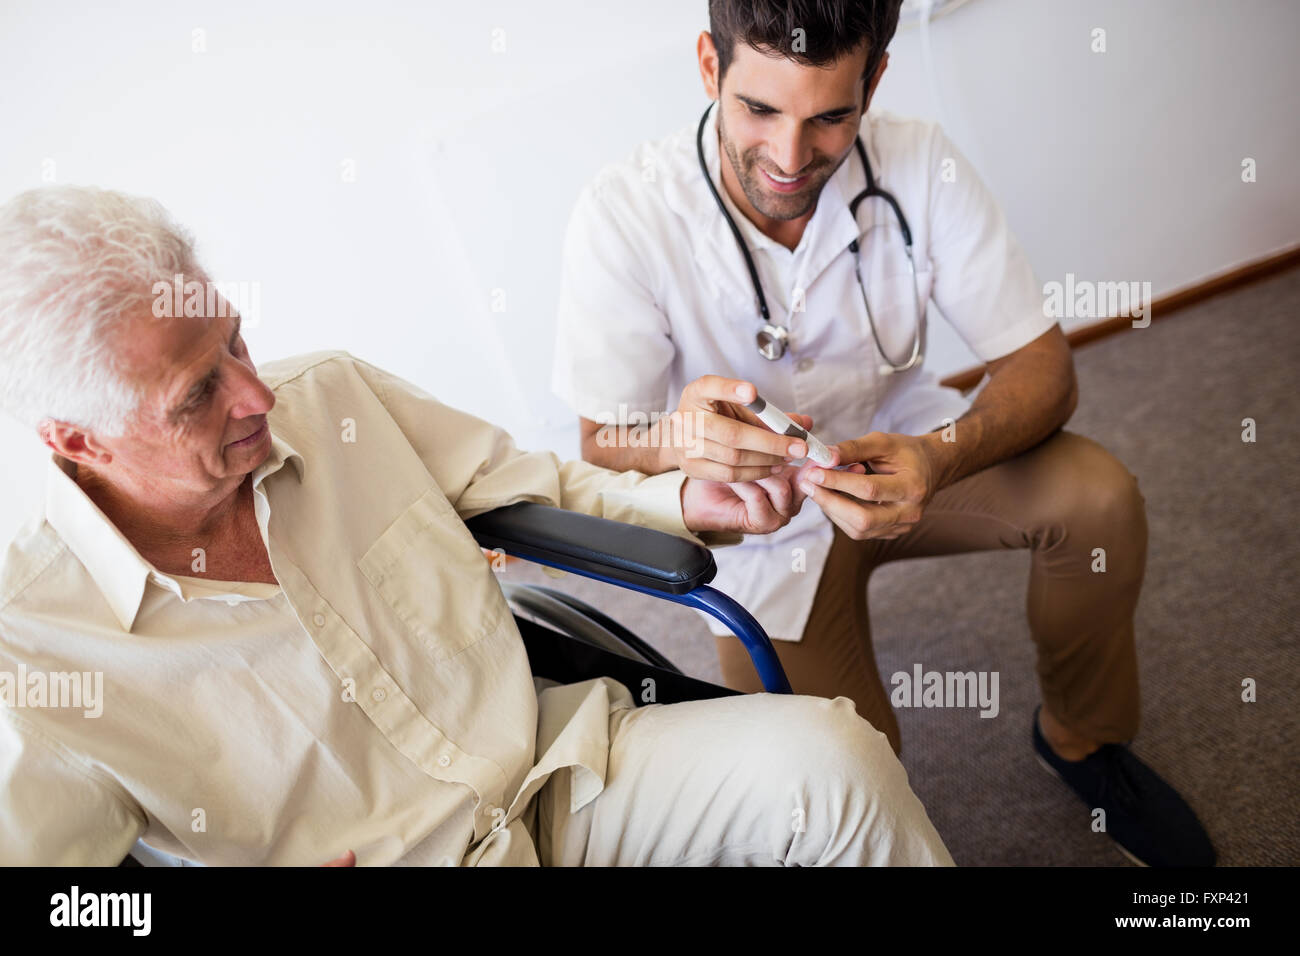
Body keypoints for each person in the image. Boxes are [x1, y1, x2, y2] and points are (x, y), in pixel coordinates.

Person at [0, 185, 952, 867]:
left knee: (835, 761)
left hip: (562, 776)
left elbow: (536, 491)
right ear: (76, 439)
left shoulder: (329, 396)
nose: (256, 393)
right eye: (198, 391)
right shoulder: (32, 659)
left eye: (237, 340)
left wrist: (688, 502)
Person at [550, 0, 1213, 866]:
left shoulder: (918, 161)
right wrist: (683, 436)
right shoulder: (624, 215)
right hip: (760, 528)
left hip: (907, 452)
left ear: (875, 82)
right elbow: (605, 438)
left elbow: (1045, 367)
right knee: (846, 785)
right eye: (759, 110)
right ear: (711, 68)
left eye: (830, 117)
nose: (790, 159)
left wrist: (940, 457)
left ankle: (1082, 741)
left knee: (1099, 500)